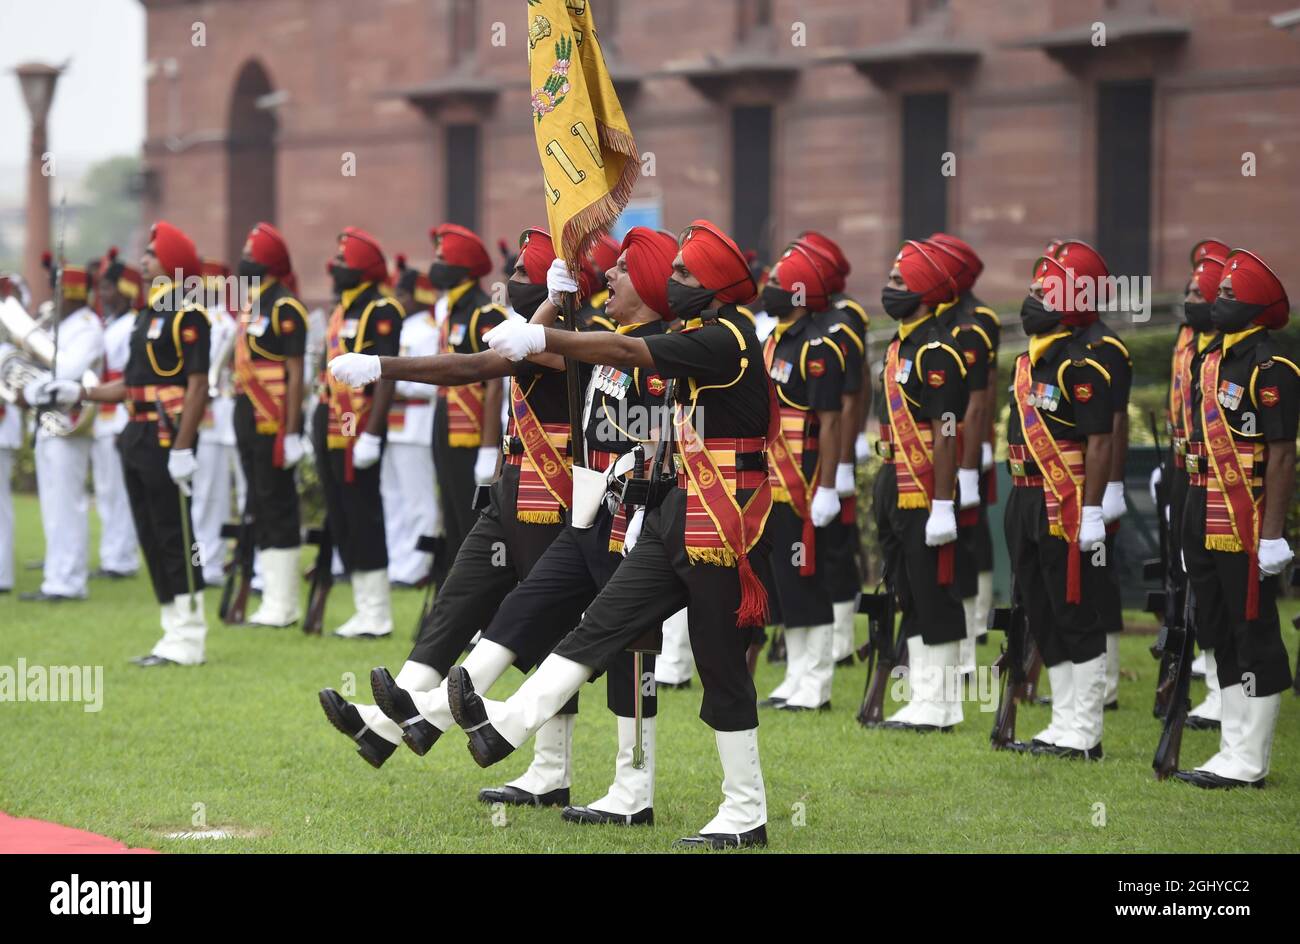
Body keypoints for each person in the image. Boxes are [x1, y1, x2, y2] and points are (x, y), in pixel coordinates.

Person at [463, 220, 775, 849]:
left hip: (723, 519)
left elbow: (628, 353)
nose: (674, 280)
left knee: (719, 663)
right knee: (603, 624)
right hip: (676, 509)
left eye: (684, 272)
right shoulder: (696, 334)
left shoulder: (727, 338)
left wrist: (540, 334)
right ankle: (509, 725)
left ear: (713, 284)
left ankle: (746, 810)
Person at [370, 226, 677, 825]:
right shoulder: (605, 340)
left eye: (623, 269)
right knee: (521, 609)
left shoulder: (654, 349)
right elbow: (516, 350)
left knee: (632, 654)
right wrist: (552, 304)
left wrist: (553, 312)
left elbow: (552, 358)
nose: (611, 276)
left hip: (638, 521)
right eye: (609, 268)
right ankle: (433, 712)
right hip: (592, 514)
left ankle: (633, 786)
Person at [317, 227, 578, 770]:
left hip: (550, 495)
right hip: (510, 489)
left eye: (523, 273)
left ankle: (550, 770)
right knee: (456, 601)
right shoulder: (532, 330)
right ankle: (388, 721)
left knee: (545, 626)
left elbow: (473, 367)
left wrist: (383, 365)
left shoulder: (573, 337)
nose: (511, 280)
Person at [41, 221, 211, 664]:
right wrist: (80, 391)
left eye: (153, 254)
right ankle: (171, 631)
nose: (144, 260)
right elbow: (131, 385)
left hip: (167, 437)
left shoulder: (188, 315)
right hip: (135, 435)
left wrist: (183, 448)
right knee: (151, 536)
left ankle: (190, 635)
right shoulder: (147, 315)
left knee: (177, 535)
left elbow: (198, 386)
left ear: (171, 263)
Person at [1175, 248, 1295, 788]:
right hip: (1204, 507)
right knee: (1219, 627)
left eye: (1227, 294)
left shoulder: (1272, 368)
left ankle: (1251, 758)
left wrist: (1272, 537)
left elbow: (1282, 455)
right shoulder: (1212, 360)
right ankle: (1231, 746)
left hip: (1246, 519)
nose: (1216, 301)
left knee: (1253, 630)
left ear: (1252, 304)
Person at [1003, 249, 1115, 758]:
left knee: (1075, 611)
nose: (1032, 301)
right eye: (1033, 291)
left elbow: (1100, 441)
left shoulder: (1082, 362)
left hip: (1062, 502)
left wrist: (1092, 511)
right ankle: (1063, 720)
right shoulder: (1030, 361)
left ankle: (1086, 730)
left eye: (1043, 294)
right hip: (1024, 496)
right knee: (1041, 610)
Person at [872, 241, 969, 731]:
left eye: (899, 281)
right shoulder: (900, 346)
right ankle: (923, 695)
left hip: (926, 486)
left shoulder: (938, 352)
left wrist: (944, 503)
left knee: (935, 591)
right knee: (907, 589)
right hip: (894, 478)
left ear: (924, 292)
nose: (889, 289)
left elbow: (947, 430)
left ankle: (943, 701)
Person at [755, 243, 844, 712]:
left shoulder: (818, 345)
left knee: (807, 577)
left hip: (805, 482)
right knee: (785, 581)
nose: (767, 289)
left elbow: (830, 421)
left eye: (776, 284)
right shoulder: (773, 339)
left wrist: (828, 486)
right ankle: (795, 674)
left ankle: (817, 680)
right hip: (772, 481)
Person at [1052, 240, 1133, 711]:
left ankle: (1105, 683)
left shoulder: (1106, 349)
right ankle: (1077, 681)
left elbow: (1115, 423)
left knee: (1098, 579)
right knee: (1067, 583)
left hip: (1096, 486)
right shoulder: (1063, 344)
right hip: (1066, 485)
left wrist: (1112, 488)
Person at [315, 227, 404, 637]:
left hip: (361, 426)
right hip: (331, 422)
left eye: (343, 260)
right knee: (342, 513)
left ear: (362, 267)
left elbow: (387, 374)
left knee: (363, 512)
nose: (335, 266)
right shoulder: (342, 308)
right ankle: (362, 605)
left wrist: (373, 433)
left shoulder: (381, 309)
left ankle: (377, 612)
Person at [1158, 240, 1230, 729]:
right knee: (1190, 581)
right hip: (1187, 470)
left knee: (1217, 590)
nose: (1189, 301)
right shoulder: (1189, 342)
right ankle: (1208, 680)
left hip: (1220, 482)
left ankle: (1224, 690)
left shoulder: (1225, 352)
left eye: (1197, 293)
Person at [232, 222, 310, 626]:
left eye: (251, 253)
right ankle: (270, 596)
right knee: (259, 501)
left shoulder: (285, 306)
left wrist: (292, 431)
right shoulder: (253, 304)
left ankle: (284, 603)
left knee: (277, 503)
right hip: (247, 414)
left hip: (274, 421)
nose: (244, 259)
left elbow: (296, 373)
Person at [925, 236, 996, 675]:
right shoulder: (928, 320)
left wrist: (968, 468)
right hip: (927, 454)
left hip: (960, 448)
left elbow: (977, 403)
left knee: (966, 548)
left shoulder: (973, 326)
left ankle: (968, 648)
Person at [799, 231, 871, 664]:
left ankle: (842, 639)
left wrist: (844, 459)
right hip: (804, 454)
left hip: (833, 450)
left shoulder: (844, 320)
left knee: (837, 545)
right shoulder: (810, 321)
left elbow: (852, 394)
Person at [20, 257, 104, 602]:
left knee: (67, 504)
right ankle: (56, 577)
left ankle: (69, 581)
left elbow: (66, 370)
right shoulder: (60, 326)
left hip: (70, 422)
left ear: (72, 292)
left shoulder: (87, 326)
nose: (54, 297)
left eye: (58, 290)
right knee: (53, 506)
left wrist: (32, 386)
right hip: (47, 420)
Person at [428, 224, 507, 564]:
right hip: (445, 423)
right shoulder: (452, 310)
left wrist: (488, 449)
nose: (435, 266)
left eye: (442, 259)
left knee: (471, 518)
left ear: (462, 267)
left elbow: (495, 383)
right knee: (450, 511)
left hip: (473, 433)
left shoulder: (484, 313)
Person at [382, 255, 441, 588]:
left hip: (416, 418)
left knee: (418, 498)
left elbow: (432, 380)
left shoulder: (429, 331)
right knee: (393, 496)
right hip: (394, 421)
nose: (398, 300)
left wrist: (394, 381)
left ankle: (417, 565)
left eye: (402, 294)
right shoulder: (402, 327)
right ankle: (397, 562)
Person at [90, 248, 142, 580]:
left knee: (119, 491)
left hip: (120, 413)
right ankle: (112, 554)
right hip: (102, 414)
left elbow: (127, 376)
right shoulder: (111, 323)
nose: (103, 295)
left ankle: (121, 558)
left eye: (108, 288)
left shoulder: (131, 324)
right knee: (106, 490)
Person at [191, 259, 242, 588]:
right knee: (206, 496)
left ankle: (233, 563)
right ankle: (204, 564)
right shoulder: (196, 319)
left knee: (227, 496)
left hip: (226, 412)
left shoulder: (226, 322)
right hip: (206, 417)